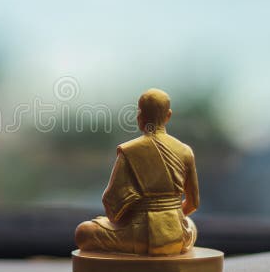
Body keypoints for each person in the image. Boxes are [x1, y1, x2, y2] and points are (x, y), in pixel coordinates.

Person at [75, 88, 199, 255]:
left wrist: (129, 217)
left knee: (84, 232)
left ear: (140, 116)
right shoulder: (185, 151)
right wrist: (170, 218)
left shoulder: (129, 151)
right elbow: (193, 203)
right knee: (191, 224)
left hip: (140, 236)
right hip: (178, 235)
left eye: (139, 112)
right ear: (168, 115)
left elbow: (111, 204)